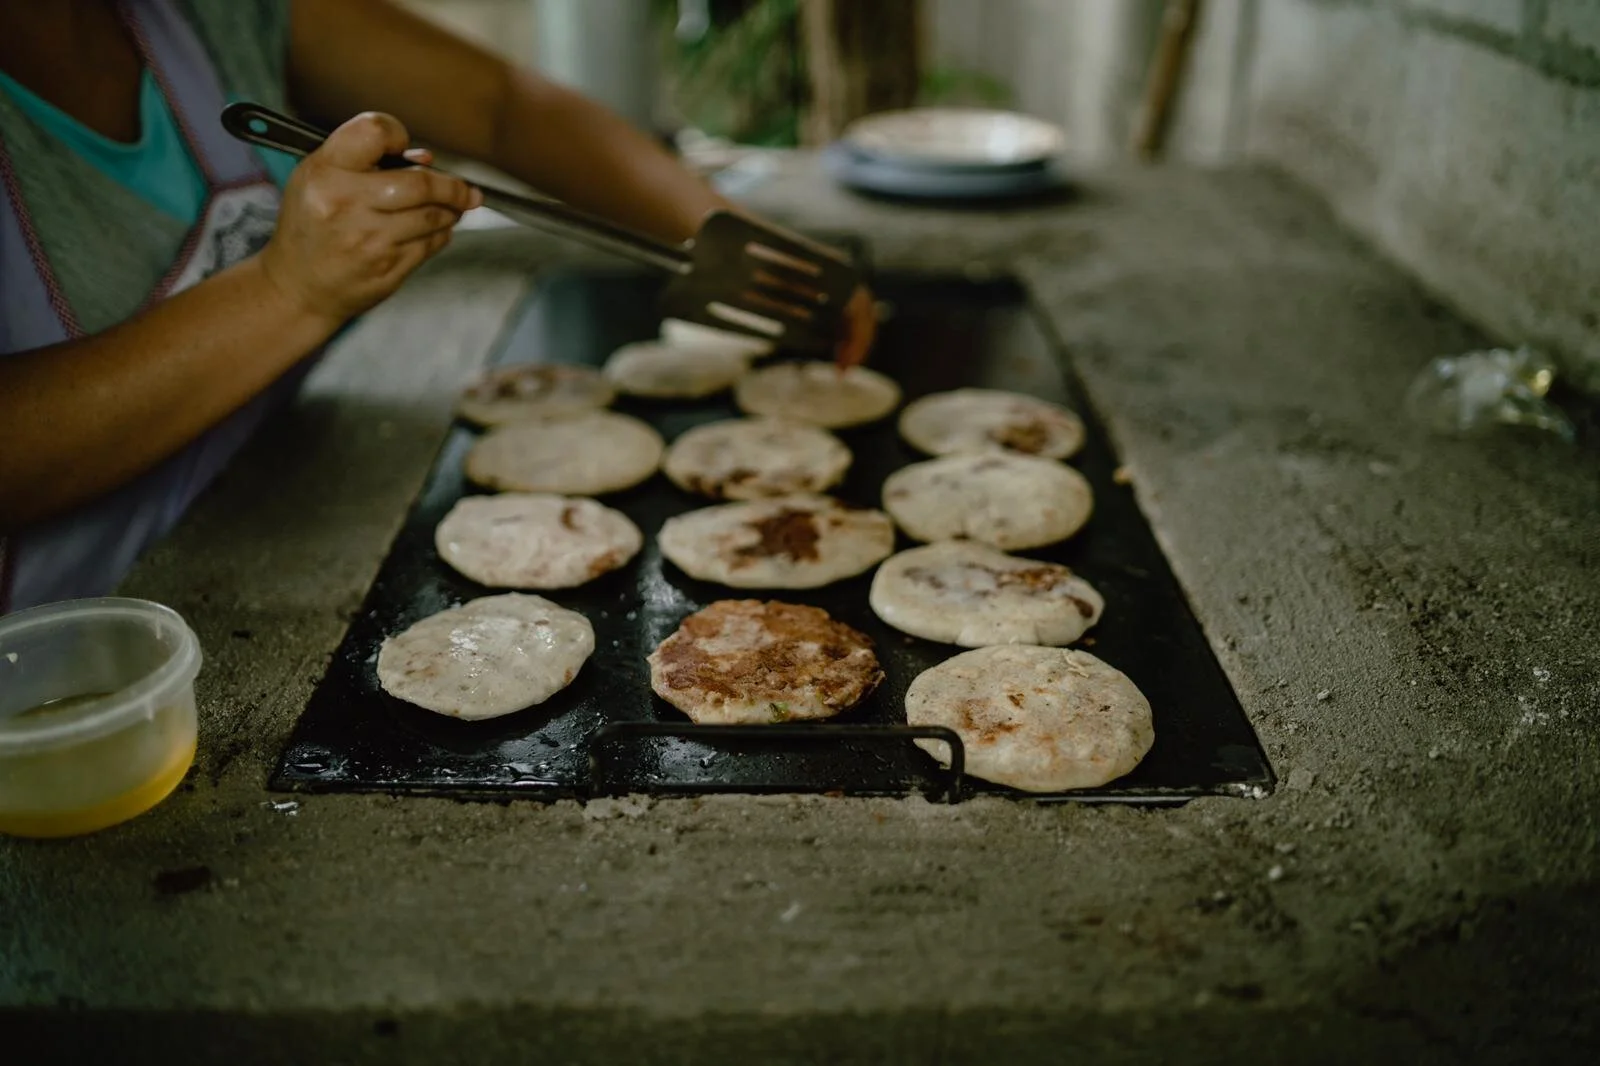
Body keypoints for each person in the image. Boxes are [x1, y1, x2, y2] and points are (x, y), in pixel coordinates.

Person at [0, 0, 873, 615]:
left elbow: (501, 107)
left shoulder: (211, 11)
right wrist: (287, 292)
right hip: (70, 660)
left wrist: (734, 241)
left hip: (295, 512)